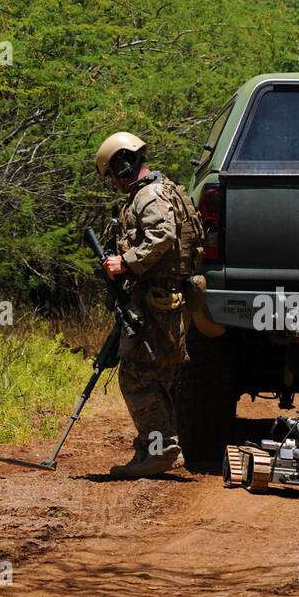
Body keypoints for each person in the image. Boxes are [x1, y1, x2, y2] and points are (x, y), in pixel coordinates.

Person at [95, 132, 205, 478]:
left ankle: (161, 450)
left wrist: (124, 263)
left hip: (156, 300)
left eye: (112, 174)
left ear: (123, 165)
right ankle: (154, 450)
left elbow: (162, 236)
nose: (114, 182)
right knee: (157, 377)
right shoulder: (167, 189)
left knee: (138, 377)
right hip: (164, 299)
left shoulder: (150, 195)